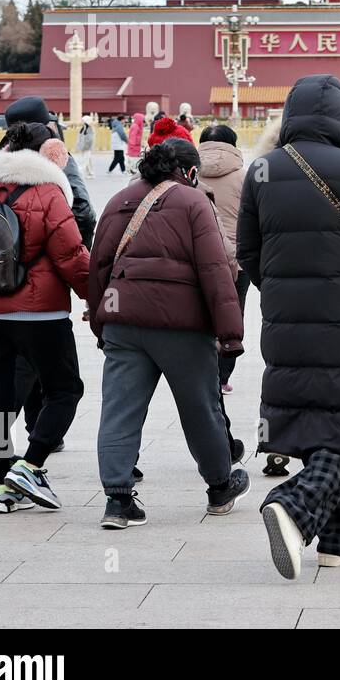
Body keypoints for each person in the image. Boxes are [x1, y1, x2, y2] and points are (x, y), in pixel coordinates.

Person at [238, 75, 340, 580]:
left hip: (286, 323)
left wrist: (284, 293)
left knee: (319, 416)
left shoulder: (262, 169)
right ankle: (294, 505)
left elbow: (247, 252)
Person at [89, 138, 248, 528]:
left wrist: (99, 320)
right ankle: (219, 487)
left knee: (119, 409)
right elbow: (216, 269)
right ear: (190, 172)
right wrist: (230, 333)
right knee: (200, 409)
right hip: (182, 327)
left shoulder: (119, 199)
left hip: (123, 322)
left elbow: (97, 266)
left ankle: (117, 499)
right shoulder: (194, 202)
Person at [0, 122, 89, 513]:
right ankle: (30, 465)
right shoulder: (49, 193)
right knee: (64, 389)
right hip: (39, 315)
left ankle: (1, 486)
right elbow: (71, 256)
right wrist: (96, 299)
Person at [197, 124, 247, 402]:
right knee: (233, 315)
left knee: (201, 314)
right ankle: (223, 377)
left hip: (199, 257)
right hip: (236, 260)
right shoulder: (244, 176)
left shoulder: (187, 174)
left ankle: (201, 373)